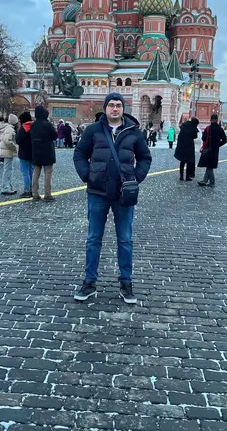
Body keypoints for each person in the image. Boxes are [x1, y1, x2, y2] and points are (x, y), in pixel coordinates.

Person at [73, 93, 151, 304]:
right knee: (93, 238)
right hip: (97, 192)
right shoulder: (93, 130)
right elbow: (79, 154)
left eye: (118, 105)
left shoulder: (134, 132)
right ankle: (89, 281)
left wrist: (136, 178)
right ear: (105, 108)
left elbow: (145, 157)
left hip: (123, 194)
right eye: (111, 105)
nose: (115, 109)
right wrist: (87, 175)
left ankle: (126, 282)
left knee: (125, 239)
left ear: (123, 108)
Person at [31, 106, 58, 202]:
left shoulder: (33, 125)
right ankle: (47, 194)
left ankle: (35, 193)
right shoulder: (47, 125)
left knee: (36, 173)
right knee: (48, 173)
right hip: (47, 151)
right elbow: (55, 136)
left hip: (36, 151)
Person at [197, 114, 227, 187]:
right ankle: (205, 181)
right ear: (217, 120)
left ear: (211, 120)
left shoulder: (208, 128)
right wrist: (217, 145)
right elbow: (224, 140)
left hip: (208, 149)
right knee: (209, 165)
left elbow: (203, 138)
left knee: (209, 165)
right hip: (215, 150)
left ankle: (211, 182)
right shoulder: (220, 129)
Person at [0, 113, 19, 195]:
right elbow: (7, 140)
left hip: (6, 151)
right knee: (8, 170)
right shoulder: (10, 129)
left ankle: (8, 186)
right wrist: (15, 148)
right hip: (8, 152)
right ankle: (6, 188)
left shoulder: (7, 128)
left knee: (8, 169)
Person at [16, 111, 34, 198]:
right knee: (31, 172)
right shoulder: (34, 126)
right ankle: (32, 189)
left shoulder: (23, 128)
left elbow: (18, 140)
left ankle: (27, 190)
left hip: (24, 153)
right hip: (33, 153)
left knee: (25, 173)